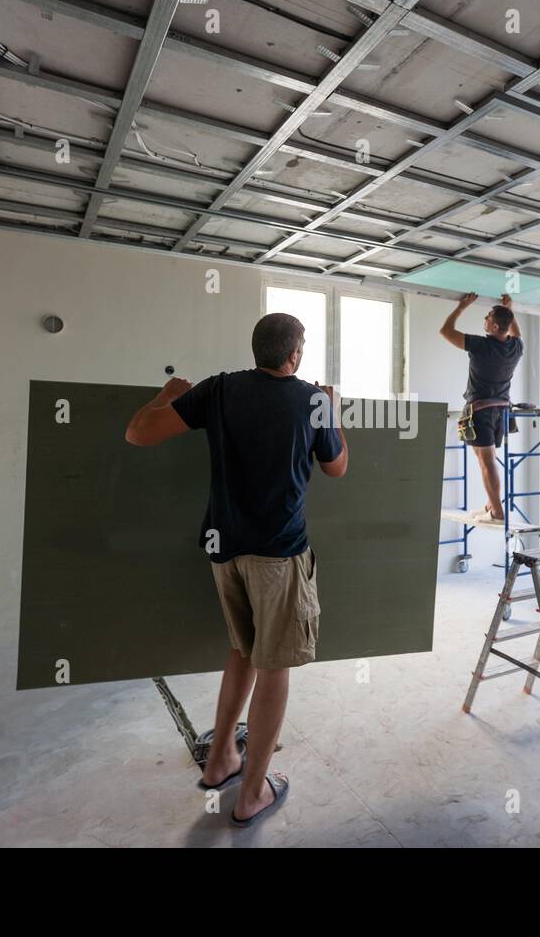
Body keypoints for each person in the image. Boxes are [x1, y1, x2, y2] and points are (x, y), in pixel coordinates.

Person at [123, 312, 347, 828]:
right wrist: (331, 410)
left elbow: (138, 433)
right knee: (275, 666)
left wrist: (166, 394)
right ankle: (251, 796)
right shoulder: (312, 402)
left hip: (224, 550)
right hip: (279, 555)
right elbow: (337, 467)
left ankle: (222, 757)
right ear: (295, 355)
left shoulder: (218, 390)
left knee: (244, 650)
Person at [439, 292, 523, 523]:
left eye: (488, 317)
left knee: (487, 461)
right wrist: (510, 309)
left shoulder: (480, 345)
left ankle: (497, 511)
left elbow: (446, 331)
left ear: (495, 326)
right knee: (483, 457)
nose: (484, 318)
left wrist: (461, 307)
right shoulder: (516, 347)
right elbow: (515, 332)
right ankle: (490, 504)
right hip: (501, 412)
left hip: (481, 411)